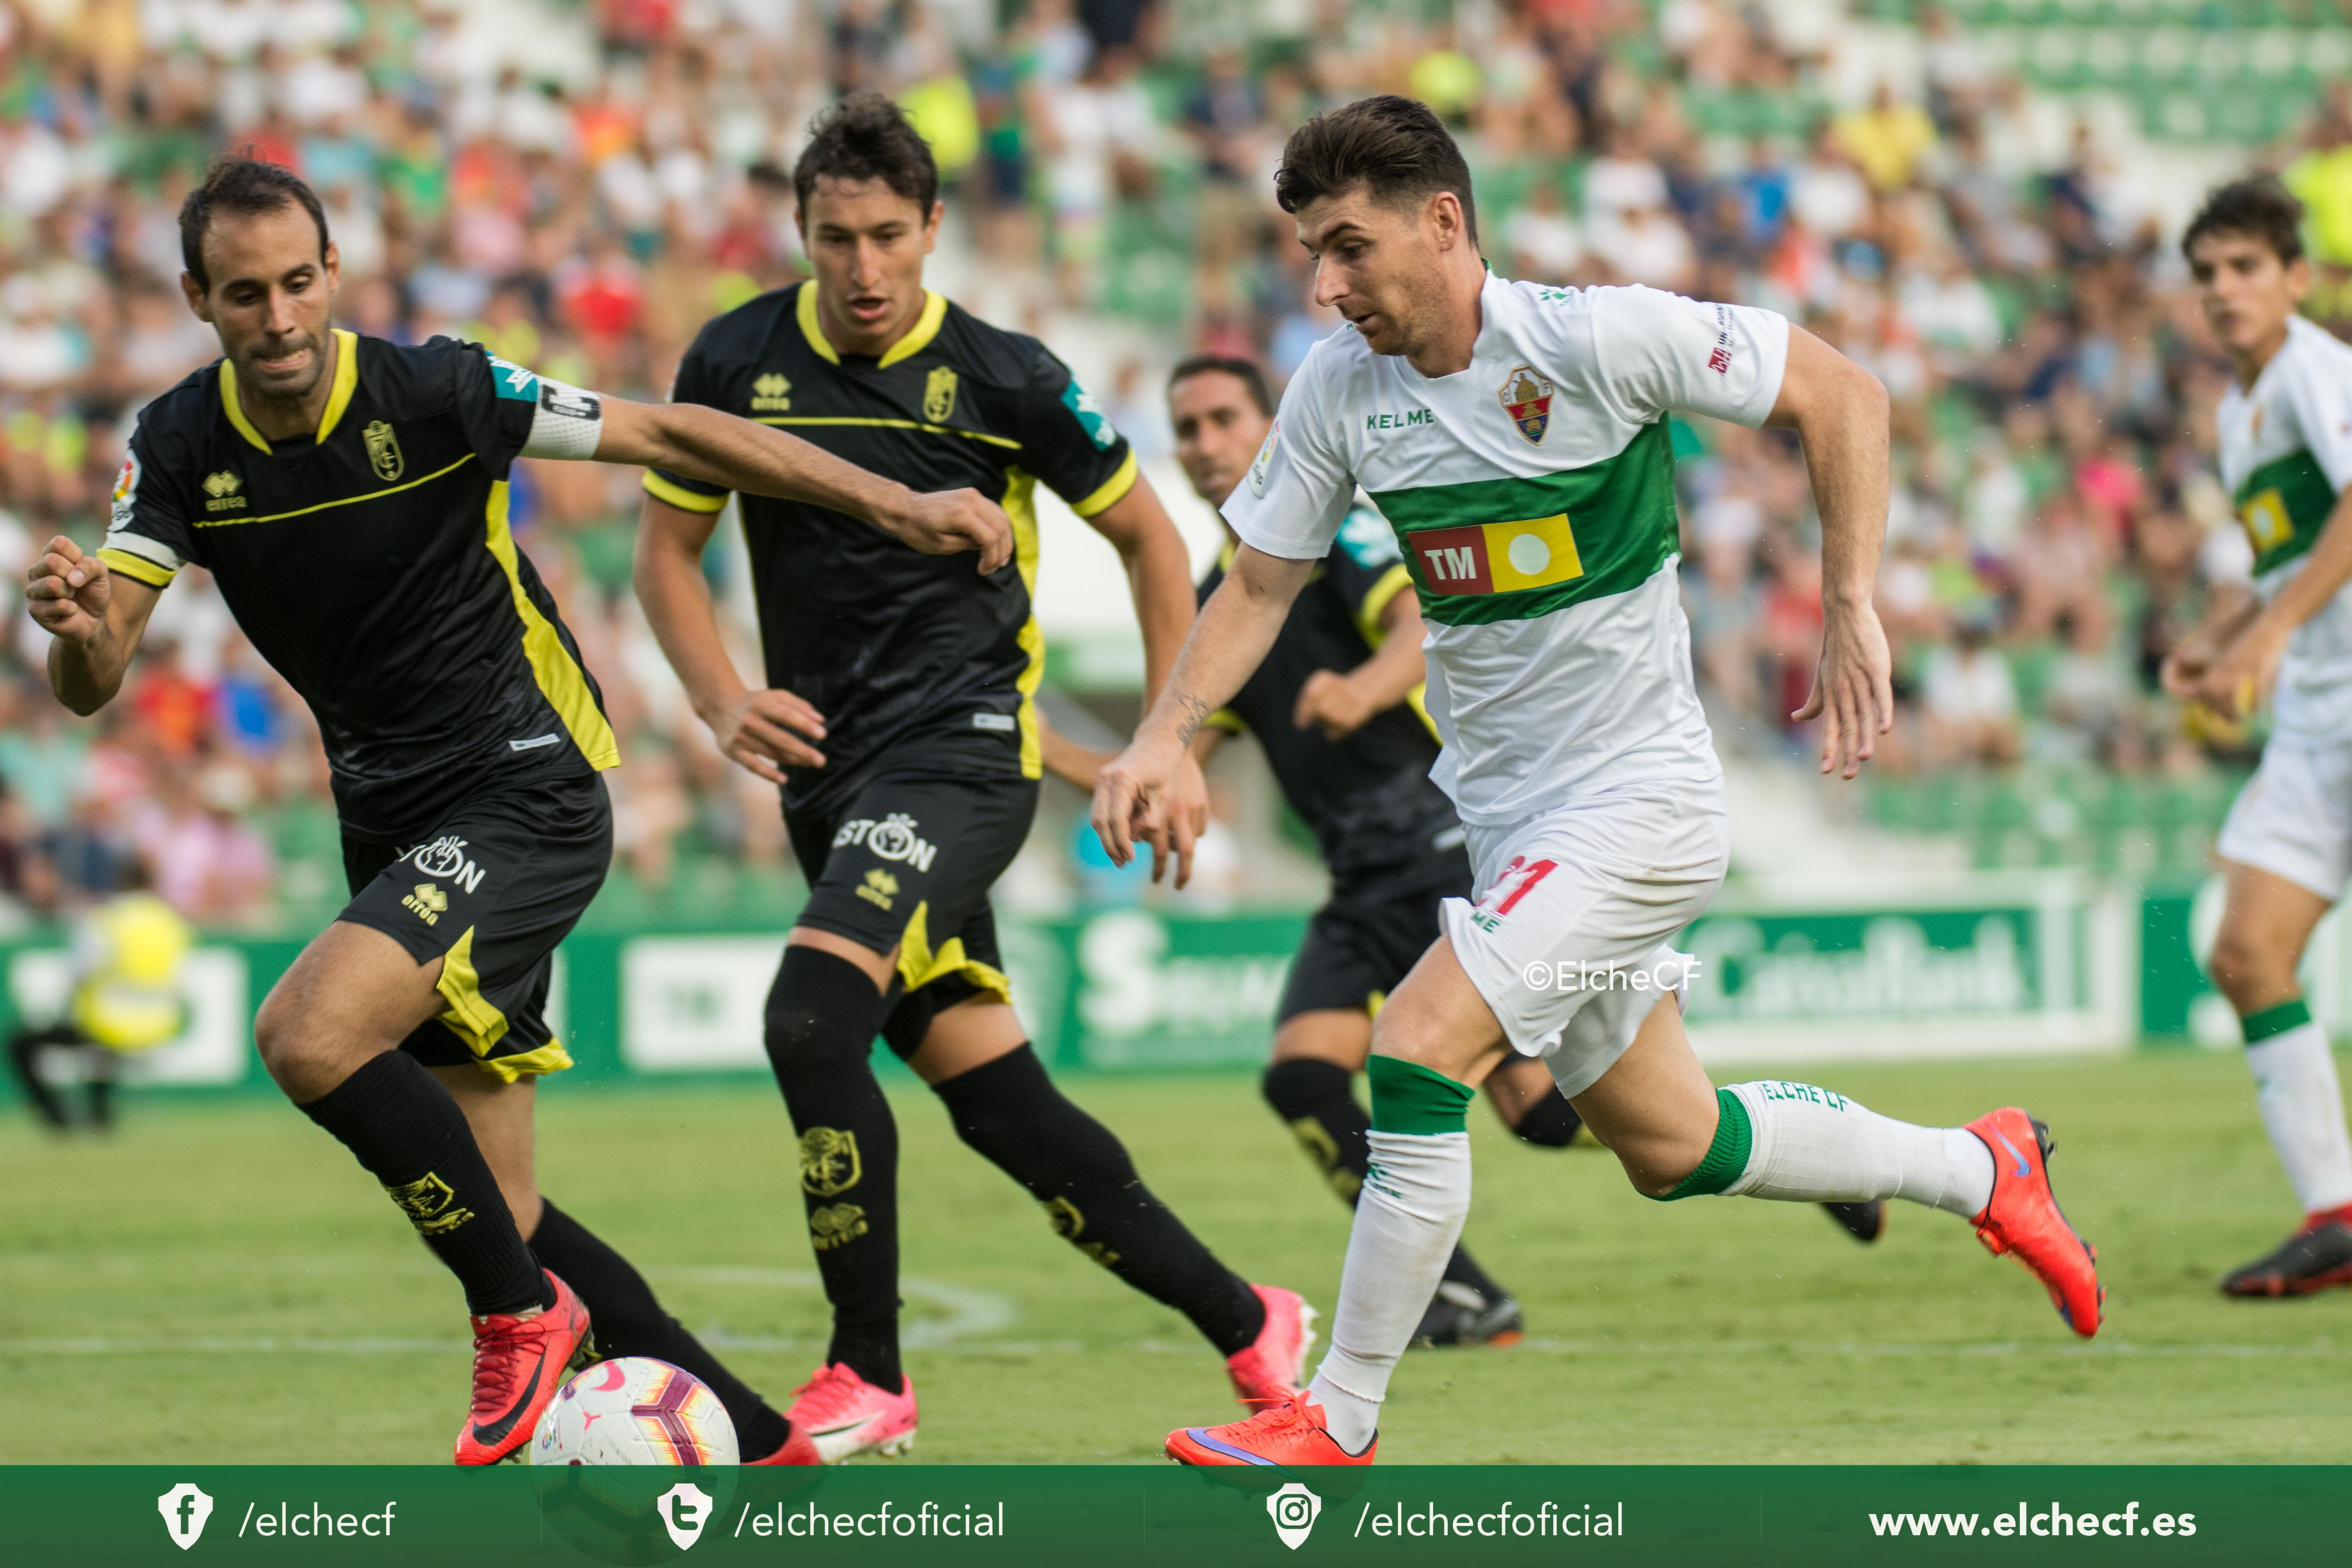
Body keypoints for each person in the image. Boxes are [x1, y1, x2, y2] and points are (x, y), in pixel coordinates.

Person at [1088, 97, 2105, 1467]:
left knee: (1412, 1050)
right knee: (1669, 1140)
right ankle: (1982, 1167)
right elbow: (1261, 578)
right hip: (1507, 823)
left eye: (1344, 247)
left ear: (1442, 221)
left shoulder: (1588, 338)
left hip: (1636, 802)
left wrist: (1850, 599)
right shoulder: (1340, 387)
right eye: (1308, 258)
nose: (1323, 288)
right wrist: (1161, 733)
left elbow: (1839, 391)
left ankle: (1336, 1413)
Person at [27, 157, 1010, 1466]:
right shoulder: (176, 445)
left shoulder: (439, 389)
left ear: (337, 275)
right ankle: (761, 1442)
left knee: (311, 1035)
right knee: (510, 1199)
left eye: (301, 283)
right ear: (200, 299)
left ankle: (516, 1315)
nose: (280, 319)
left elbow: (670, 434)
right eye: (246, 293)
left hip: (524, 782)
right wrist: (83, 630)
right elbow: (95, 680)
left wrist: (896, 501)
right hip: (389, 814)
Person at [632, 94, 1312, 1466]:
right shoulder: (734, 357)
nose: (865, 269)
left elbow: (1149, 541)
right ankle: (1254, 1321)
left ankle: (864, 1370)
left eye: (890, 236)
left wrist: (1162, 738)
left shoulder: (1004, 375)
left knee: (810, 1020)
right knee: (1004, 1107)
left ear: (934, 228)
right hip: (829, 779)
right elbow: (665, 556)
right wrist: (716, 695)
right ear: (801, 234)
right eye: (837, 240)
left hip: (963, 754)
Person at [1046, 355, 1888, 1350]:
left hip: (1447, 841)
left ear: (1272, 427)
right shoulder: (1223, 598)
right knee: (1302, 1077)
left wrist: (1362, 689)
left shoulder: (1336, 533)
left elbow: (1413, 618)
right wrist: (1028, 738)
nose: (1204, 444)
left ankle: (1815, 1153)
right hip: (1362, 879)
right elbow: (1167, 756)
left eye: (1224, 419)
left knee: (1542, 1109)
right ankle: (1462, 1295)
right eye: (1185, 429)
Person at [2160, 176, 2352, 1297]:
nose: (2223, 290)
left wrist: (2267, 633)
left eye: (2243, 268)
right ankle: (2333, 1211)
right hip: (2315, 718)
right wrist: (2218, 636)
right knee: (2243, 952)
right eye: (2205, 275)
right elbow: (2287, 554)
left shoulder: (2315, 371)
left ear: (2294, 277)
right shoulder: (2238, 412)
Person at [7, 873, 191, 1133]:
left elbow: (80, 973)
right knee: (103, 1049)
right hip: (160, 1022)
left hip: (108, 1022)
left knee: (20, 1043)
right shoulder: (169, 921)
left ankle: (58, 1119)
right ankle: (99, 1114)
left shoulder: (107, 920)